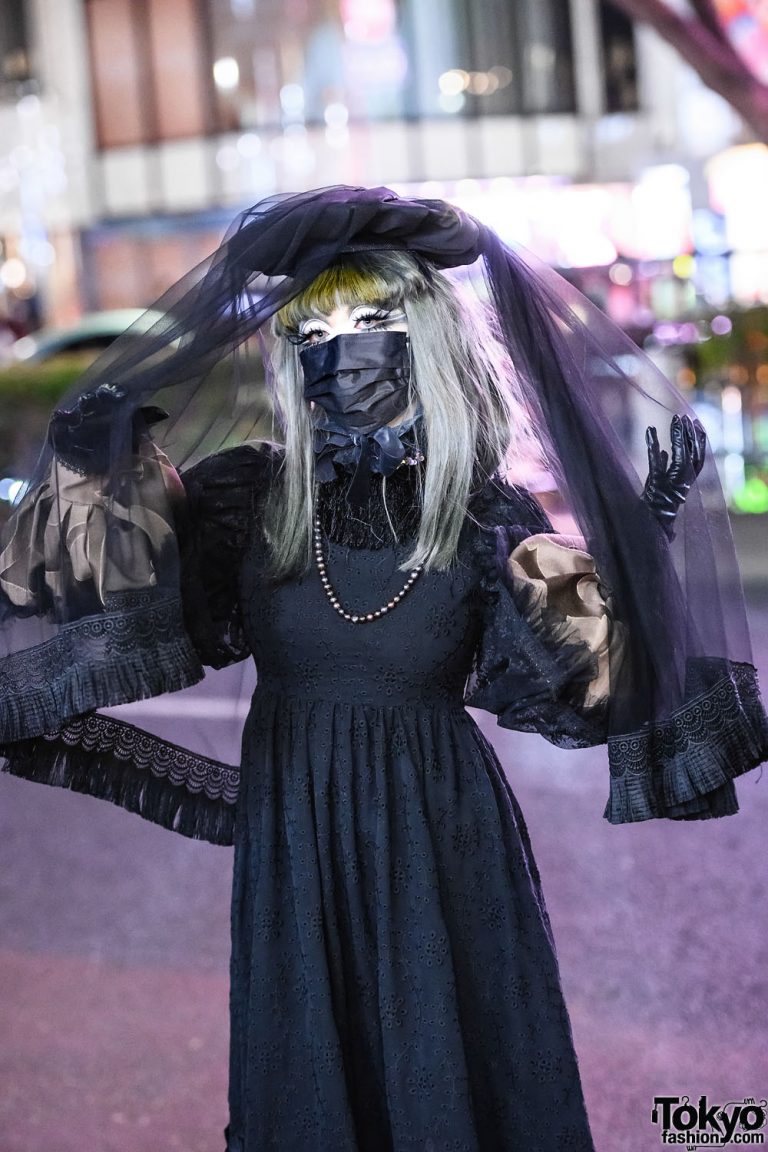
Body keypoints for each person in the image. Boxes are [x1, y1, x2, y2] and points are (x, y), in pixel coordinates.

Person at [0, 186, 765, 1151]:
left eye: (372, 321)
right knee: (314, 1086)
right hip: (297, 843)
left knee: (453, 1078)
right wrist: (92, 465)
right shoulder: (254, 500)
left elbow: (588, 687)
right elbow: (126, 593)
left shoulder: (486, 520)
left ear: (428, 338)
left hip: (442, 839)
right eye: (312, 330)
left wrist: (640, 539)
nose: (340, 349)